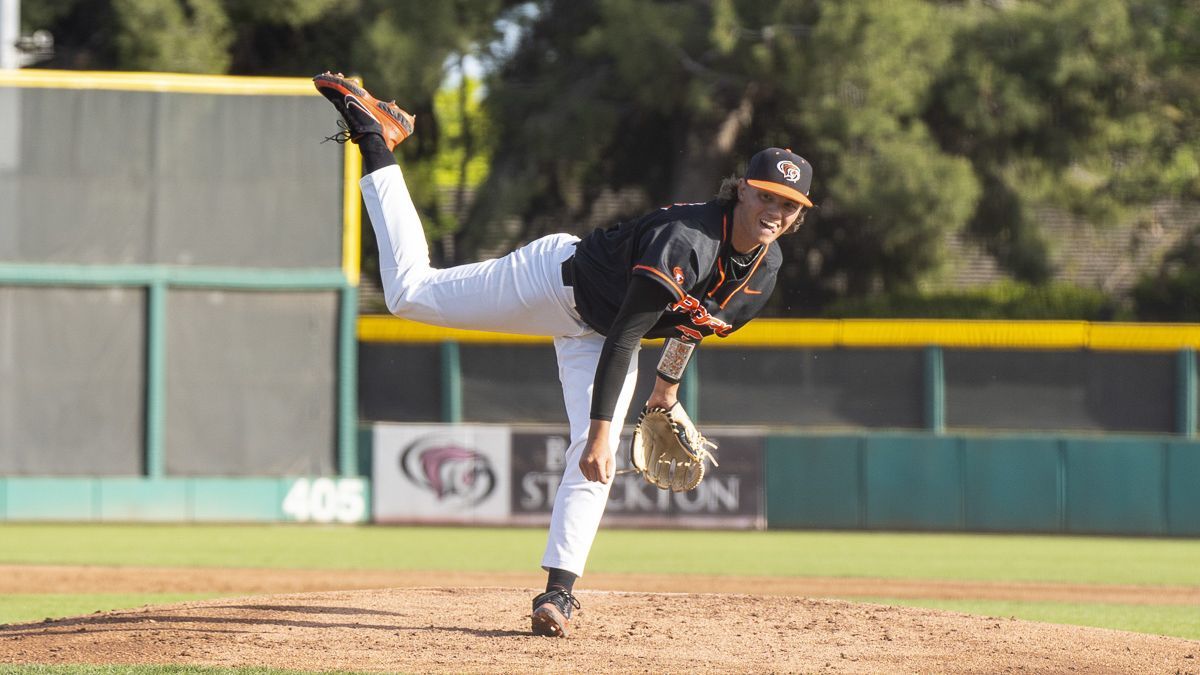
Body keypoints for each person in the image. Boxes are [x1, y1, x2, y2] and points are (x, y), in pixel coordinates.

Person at [313, 72, 814, 638]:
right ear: (741, 189)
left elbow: (691, 326)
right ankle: (377, 135)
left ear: (800, 214)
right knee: (408, 295)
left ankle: (558, 595)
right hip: (554, 284)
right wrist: (606, 431)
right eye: (767, 195)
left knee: (593, 461)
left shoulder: (764, 270)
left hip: (597, 334)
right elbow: (630, 332)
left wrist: (664, 392)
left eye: (790, 205)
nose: (776, 211)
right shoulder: (688, 238)